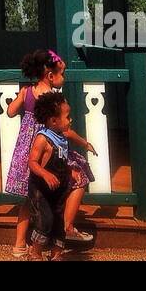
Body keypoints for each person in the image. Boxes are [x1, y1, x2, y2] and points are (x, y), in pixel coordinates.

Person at [3, 49, 55, 258]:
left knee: (27, 198)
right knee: (48, 195)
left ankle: (19, 243)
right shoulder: (52, 96)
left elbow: (10, 111)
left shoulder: (27, 92)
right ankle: (46, 243)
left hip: (26, 147)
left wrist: (20, 98)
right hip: (46, 145)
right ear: (47, 72)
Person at [45, 52, 97, 245]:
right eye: (63, 73)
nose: (64, 78)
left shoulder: (36, 92)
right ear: (51, 75)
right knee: (80, 178)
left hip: (47, 149)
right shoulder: (53, 100)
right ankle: (67, 227)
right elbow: (65, 131)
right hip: (55, 152)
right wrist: (84, 143)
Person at [27, 91, 74, 261]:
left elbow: (62, 159)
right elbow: (32, 162)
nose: (70, 120)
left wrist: (70, 170)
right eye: (68, 117)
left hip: (58, 188)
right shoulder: (43, 139)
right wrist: (45, 174)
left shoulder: (62, 137)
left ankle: (56, 254)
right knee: (44, 219)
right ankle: (35, 252)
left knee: (58, 220)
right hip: (41, 188)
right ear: (54, 121)